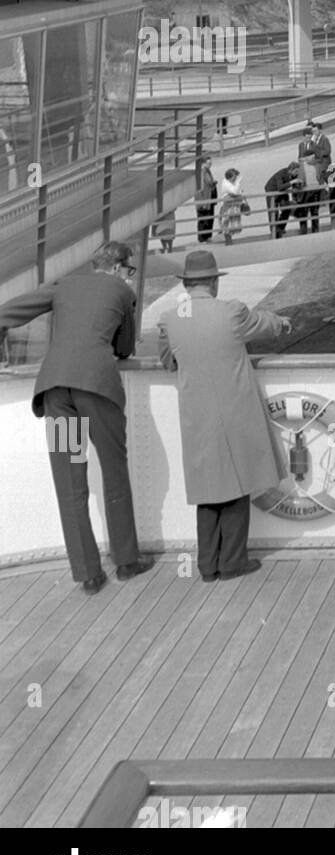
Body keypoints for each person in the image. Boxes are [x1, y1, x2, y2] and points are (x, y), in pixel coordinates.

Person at [0, 241, 151, 592]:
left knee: (70, 482)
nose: (129, 276)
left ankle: (88, 574)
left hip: (56, 391)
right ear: (117, 268)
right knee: (114, 473)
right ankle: (126, 562)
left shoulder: (63, 285)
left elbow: (8, 312)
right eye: (129, 270)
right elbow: (124, 347)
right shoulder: (121, 291)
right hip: (96, 389)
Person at [157, 251, 292, 582]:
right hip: (233, 411)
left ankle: (207, 564)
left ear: (187, 284)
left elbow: (167, 359)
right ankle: (231, 562)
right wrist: (284, 323)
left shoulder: (171, 318)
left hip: (68, 406)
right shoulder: (232, 311)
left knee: (207, 488)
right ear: (214, 282)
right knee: (236, 482)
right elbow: (266, 325)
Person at [264, 162, 300, 238]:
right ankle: (274, 231)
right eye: (296, 171)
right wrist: (291, 182)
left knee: (286, 208)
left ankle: (280, 228)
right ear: (291, 170)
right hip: (271, 191)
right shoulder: (281, 174)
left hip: (283, 192)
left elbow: (293, 185)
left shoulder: (293, 175)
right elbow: (280, 187)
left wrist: (299, 184)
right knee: (273, 212)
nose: (297, 173)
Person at [218, 167, 248, 244]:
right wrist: (238, 182)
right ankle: (228, 241)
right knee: (228, 224)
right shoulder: (226, 183)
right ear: (230, 177)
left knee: (232, 224)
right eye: (234, 177)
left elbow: (236, 191)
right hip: (228, 207)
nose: (235, 179)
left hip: (232, 206)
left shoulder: (229, 182)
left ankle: (228, 240)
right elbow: (234, 191)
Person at [194, 158, 218, 243]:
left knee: (209, 218)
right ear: (203, 163)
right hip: (204, 198)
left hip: (209, 197)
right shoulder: (202, 172)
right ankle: (202, 238)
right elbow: (205, 184)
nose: (210, 164)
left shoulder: (207, 171)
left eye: (211, 163)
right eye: (209, 163)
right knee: (203, 218)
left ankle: (207, 236)